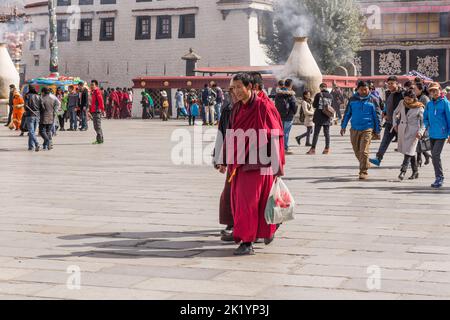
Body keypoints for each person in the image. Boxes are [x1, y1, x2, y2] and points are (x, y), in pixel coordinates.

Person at [223, 73, 285, 256]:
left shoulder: (264, 107)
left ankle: (247, 241)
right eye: (233, 88)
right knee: (241, 202)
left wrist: (277, 165)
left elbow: (276, 135)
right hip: (240, 162)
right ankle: (257, 233)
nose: (236, 91)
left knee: (249, 203)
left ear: (250, 87)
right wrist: (227, 158)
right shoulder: (236, 108)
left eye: (239, 87)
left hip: (260, 162)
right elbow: (231, 133)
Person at [341, 81, 381, 180]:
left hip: (367, 128)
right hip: (354, 128)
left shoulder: (373, 100)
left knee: (364, 151)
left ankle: (363, 171)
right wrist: (343, 126)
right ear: (357, 89)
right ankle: (366, 163)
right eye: (361, 89)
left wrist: (377, 130)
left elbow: (377, 116)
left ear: (369, 89)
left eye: (365, 89)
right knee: (356, 151)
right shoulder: (352, 99)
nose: (363, 91)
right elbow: (347, 114)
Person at [214, 81, 236, 242]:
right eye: (231, 90)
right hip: (233, 158)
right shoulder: (228, 109)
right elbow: (222, 133)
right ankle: (231, 222)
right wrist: (219, 158)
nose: (234, 93)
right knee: (229, 192)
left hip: (251, 158)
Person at [370, 76, 404, 166]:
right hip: (389, 122)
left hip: (400, 123)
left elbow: (407, 105)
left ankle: (409, 161)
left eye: (392, 83)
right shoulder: (388, 93)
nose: (390, 85)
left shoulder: (402, 94)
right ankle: (378, 158)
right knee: (385, 141)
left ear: (397, 83)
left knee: (404, 143)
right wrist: (384, 112)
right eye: (388, 84)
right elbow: (387, 104)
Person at [392, 89, 425, 181]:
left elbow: (424, 122)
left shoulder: (419, 107)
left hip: (414, 132)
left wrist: (421, 132)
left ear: (414, 98)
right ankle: (415, 171)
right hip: (402, 130)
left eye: (409, 99)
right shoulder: (402, 103)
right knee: (410, 152)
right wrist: (395, 124)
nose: (407, 101)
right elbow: (395, 112)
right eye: (405, 99)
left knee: (408, 151)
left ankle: (403, 171)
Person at [423, 82, 450, 188]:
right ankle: (437, 177)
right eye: (431, 91)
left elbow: (449, 118)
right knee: (434, 156)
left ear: (440, 90)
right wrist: (425, 127)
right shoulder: (429, 104)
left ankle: (440, 177)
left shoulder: (445, 103)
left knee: (435, 155)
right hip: (432, 133)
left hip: (442, 134)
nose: (434, 92)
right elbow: (425, 118)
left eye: (435, 90)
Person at [307, 83, 333, 155]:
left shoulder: (318, 95)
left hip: (319, 116)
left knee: (316, 133)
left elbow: (314, 105)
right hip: (327, 116)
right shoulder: (330, 96)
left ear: (321, 88)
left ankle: (313, 149)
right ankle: (327, 149)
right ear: (326, 87)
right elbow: (331, 106)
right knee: (327, 134)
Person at [275, 79, 298, 154]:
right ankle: (285, 148)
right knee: (286, 132)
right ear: (291, 85)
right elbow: (294, 105)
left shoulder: (278, 94)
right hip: (289, 116)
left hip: (280, 116)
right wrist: (294, 113)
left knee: (280, 131)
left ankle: (279, 147)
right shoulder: (291, 94)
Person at [414, 83, 432, 167]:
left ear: (420, 90)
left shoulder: (425, 98)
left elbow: (428, 110)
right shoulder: (415, 97)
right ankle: (425, 155)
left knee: (419, 141)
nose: (414, 91)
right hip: (415, 122)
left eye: (415, 89)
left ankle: (419, 159)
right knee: (419, 141)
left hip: (423, 123)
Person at [24, 86, 42, 152]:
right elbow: (42, 106)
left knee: (31, 131)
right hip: (37, 114)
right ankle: (31, 146)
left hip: (30, 114)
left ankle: (37, 143)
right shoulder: (38, 96)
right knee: (33, 132)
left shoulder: (27, 96)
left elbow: (25, 106)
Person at [90, 80, 105, 144]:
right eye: (91, 85)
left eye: (92, 85)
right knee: (97, 126)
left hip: (97, 111)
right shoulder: (93, 92)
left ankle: (99, 140)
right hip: (94, 111)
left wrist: (102, 109)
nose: (91, 86)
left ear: (96, 85)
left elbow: (101, 101)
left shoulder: (97, 92)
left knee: (97, 126)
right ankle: (101, 139)